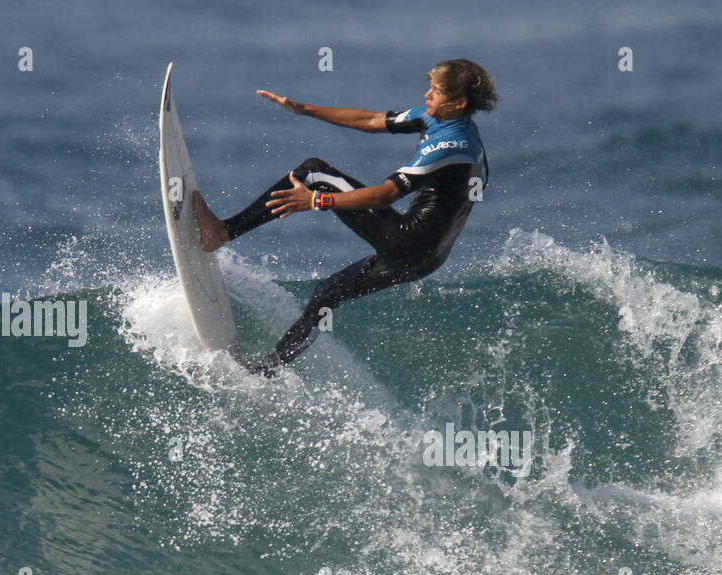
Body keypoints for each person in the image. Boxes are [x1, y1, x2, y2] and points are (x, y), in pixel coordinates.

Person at [193, 58, 497, 377]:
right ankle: (266, 373)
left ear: (458, 103)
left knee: (313, 172)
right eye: (430, 88)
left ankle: (223, 232)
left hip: (408, 238)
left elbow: (386, 195)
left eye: (436, 92)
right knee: (328, 292)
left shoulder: (451, 143)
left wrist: (317, 199)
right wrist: (306, 110)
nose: (427, 96)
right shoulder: (446, 122)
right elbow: (372, 119)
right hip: (427, 257)